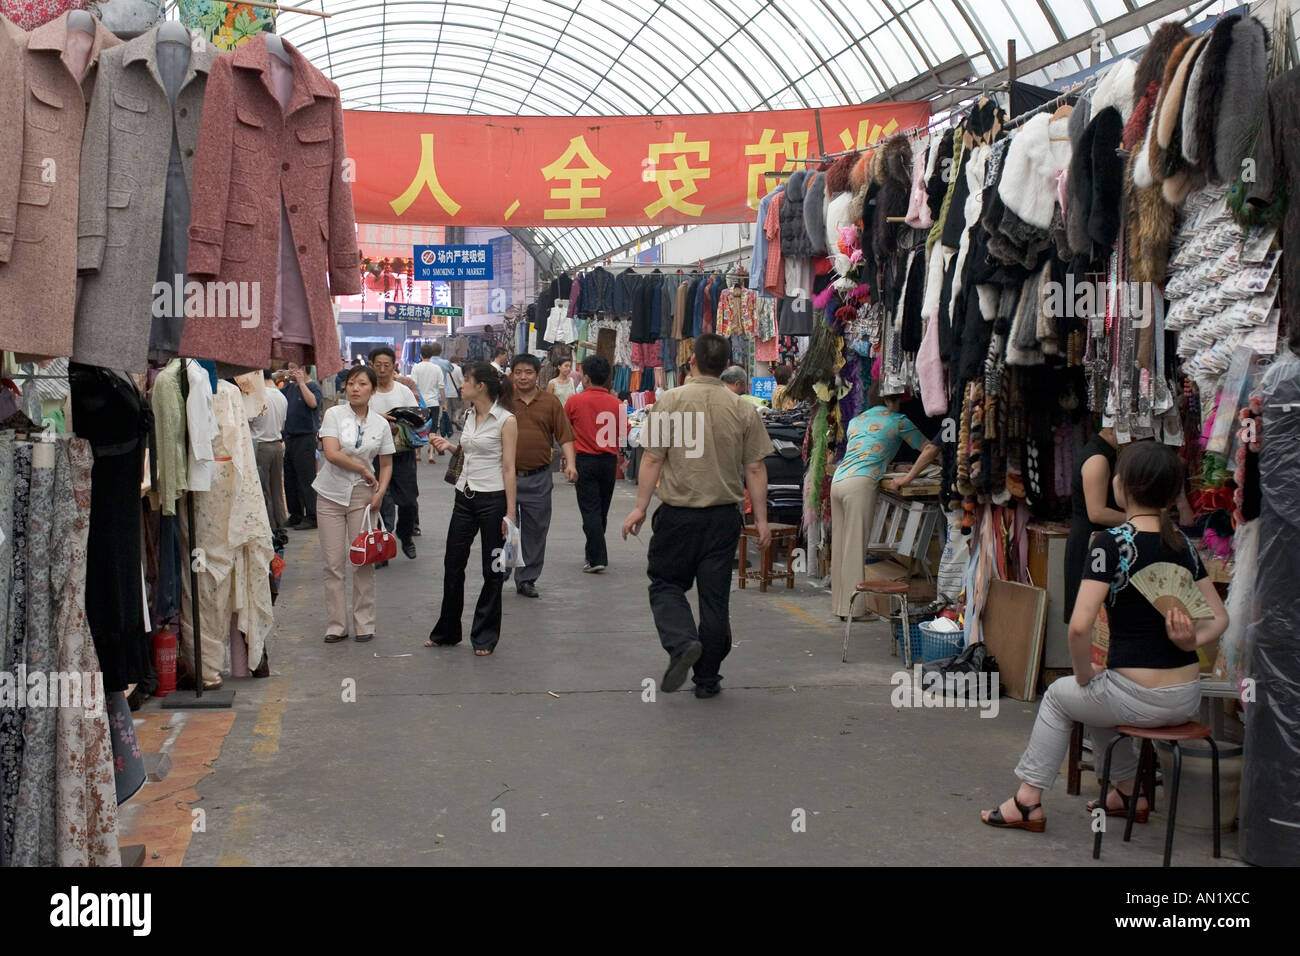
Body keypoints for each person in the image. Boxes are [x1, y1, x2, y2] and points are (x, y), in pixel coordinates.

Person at [981, 441, 1228, 832]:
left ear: (1121, 485)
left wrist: (1080, 672)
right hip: (1185, 697)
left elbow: (1079, 627)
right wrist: (1189, 642)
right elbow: (1219, 619)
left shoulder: (1110, 544)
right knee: (1097, 693)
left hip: (1138, 697)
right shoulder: (1182, 545)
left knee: (1065, 696)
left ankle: (1027, 800)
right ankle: (1127, 792)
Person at [621, 333, 774, 699]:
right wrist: (763, 521)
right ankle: (707, 679)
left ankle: (682, 642)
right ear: (726, 367)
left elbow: (653, 459)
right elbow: (755, 468)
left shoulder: (669, 401)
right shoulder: (742, 408)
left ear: (691, 361)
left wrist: (640, 506)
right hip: (723, 519)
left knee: (666, 584)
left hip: (678, 517)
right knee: (714, 598)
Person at [427, 363, 517, 656]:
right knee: (453, 563)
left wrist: (510, 514)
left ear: (481, 386)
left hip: (493, 501)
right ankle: (447, 631)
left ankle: (485, 636)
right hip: (463, 498)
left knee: (492, 568)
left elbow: (508, 467)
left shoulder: (506, 420)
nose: (461, 385)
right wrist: (449, 447)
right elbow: (469, 452)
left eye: (466, 380)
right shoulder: (468, 415)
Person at [829, 385, 939, 619]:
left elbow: (867, 451)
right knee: (855, 547)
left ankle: (840, 607)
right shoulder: (899, 420)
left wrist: (894, 466)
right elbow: (930, 448)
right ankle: (854, 610)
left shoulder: (856, 421)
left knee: (839, 546)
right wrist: (910, 474)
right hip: (860, 484)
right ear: (892, 401)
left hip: (838, 481)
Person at [313, 365, 393, 644]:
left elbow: (386, 463)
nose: (355, 388)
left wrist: (380, 494)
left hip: (363, 497)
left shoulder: (381, 424)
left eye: (361, 384)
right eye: (350, 383)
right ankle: (336, 624)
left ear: (372, 389)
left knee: (363, 560)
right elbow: (331, 453)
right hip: (330, 495)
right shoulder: (334, 414)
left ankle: (364, 623)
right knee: (333, 564)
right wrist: (361, 469)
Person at [508, 353, 576, 598]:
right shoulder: (503, 401)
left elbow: (565, 435)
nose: (523, 377)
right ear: (512, 374)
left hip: (538, 477)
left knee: (536, 530)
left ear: (537, 375)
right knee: (504, 527)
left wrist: (571, 463)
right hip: (505, 477)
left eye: (528, 372)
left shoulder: (550, 402)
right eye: (519, 372)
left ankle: (527, 579)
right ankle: (502, 568)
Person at [565, 355, 622, 573]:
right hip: (609, 462)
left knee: (590, 510)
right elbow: (624, 435)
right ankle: (593, 552)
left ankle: (597, 557)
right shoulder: (617, 404)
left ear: (586, 378)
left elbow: (564, 429)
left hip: (585, 460)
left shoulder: (575, 401)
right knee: (601, 510)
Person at [1064, 426, 1124, 624]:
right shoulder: (1097, 458)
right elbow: (1097, 512)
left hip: (1094, 541)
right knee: (1088, 616)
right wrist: (1137, 517)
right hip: (1089, 543)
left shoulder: (1099, 454)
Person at [366, 347, 420, 560]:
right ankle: (381, 546)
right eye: (377, 365)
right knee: (379, 502)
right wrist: (378, 419)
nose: (381, 369)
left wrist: (399, 423)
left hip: (401, 453)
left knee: (408, 501)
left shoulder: (403, 391)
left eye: (386, 365)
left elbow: (417, 419)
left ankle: (405, 535)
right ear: (371, 365)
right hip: (374, 456)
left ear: (393, 366)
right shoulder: (366, 391)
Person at [283, 362, 323, 530]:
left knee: (306, 478)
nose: (291, 371)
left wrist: (301, 382)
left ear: (303, 368)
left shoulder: (313, 386)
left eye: (295, 367)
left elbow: (313, 403)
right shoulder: (289, 387)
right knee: (290, 479)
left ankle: (312, 516)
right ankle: (296, 514)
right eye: (290, 368)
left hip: (305, 437)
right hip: (290, 437)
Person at [249, 369, 288, 535]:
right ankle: (281, 523)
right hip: (277, 445)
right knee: (277, 487)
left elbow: (249, 421)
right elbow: (284, 422)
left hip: (261, 446)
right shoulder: (281, 396)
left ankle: (270, 527)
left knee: (264, 489)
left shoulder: (257, 396)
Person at [412, 343, 448, 463]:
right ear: (432, 355)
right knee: (433, 429)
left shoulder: (416, 367)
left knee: (418, 427)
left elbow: (414, 386)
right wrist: (444, 403)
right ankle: (431, 454)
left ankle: (418, 454)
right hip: (433, 403)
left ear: (421, 355)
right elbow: (441, 387)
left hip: (420, 403)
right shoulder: (436, 368)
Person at [426, 342, 457, 440]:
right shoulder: (445, 363)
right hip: (442, 393)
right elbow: (451, 369)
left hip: (428, 393)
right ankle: (438, 439)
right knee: (439, 418)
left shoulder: (427, 362)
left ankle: (431, 439)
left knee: (429, 419)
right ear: (441, 351)